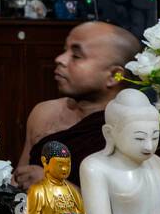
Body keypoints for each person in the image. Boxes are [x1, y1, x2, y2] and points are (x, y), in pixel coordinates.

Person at [14, 21, 141, 189]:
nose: (59, 59)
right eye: (64, 50)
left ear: (114, 76)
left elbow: (125, 211)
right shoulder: (44, 113)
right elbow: (19, 181)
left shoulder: (136, 133)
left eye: (76, 56)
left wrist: (56, 189)